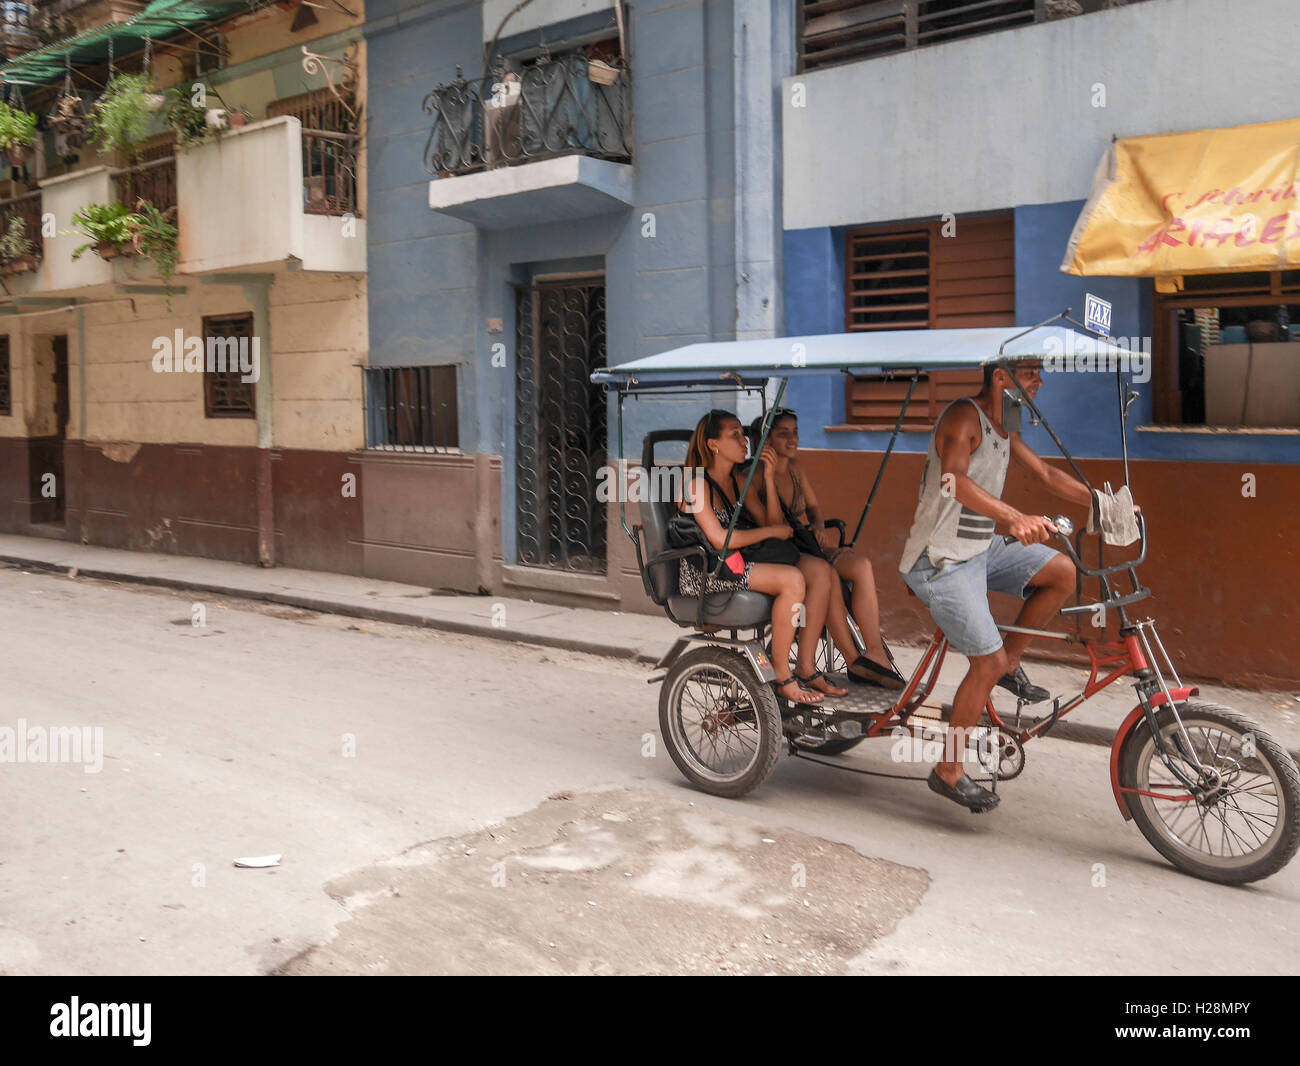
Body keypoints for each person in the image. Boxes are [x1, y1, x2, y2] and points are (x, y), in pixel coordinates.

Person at [899, 358, 1095, 813]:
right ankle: (948, 770)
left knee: (1062, 572)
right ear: (1002, 377)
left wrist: (1103, 500)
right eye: (1030, 373)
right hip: (940, 560)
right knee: (983, 666)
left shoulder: (1006, 419)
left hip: (981, 551)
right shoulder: (963, 416)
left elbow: (1044, 474)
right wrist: (1014, 517)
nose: (1039, 381)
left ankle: (1011, 662)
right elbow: (954, 480)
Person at [678, 410, 843, 705]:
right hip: (707, 570)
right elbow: (719, 539)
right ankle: (782, 674)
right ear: (713, 444)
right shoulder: (695, 484)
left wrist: (767, 478)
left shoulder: (737, 482)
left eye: (743, 434)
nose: (745, 442)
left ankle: (805, 665)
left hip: (737, 562)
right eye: (735, 435)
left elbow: (771, 525)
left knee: (818, 571)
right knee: (792, 579)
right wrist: (770, 534)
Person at [746, 409, 905, 689]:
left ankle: (875, 652)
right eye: (783, 433)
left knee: (861, 566)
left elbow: (815, 509)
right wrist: (769, 476)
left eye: (795, 431)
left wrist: (818, 527)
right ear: (766, 441)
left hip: (807, 543)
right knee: (826, 574)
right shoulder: (753, 477)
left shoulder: (795, 468)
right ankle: (852, 658)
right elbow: (771, 527)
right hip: (782, 553)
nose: (792, 438)